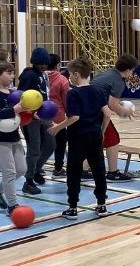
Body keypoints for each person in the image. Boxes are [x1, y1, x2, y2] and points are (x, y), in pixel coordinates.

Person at [48, 58, 112, 220]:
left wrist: (57, 127)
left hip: (78, 138)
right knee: (98, 170)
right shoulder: (98, 91)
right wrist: (102, 132)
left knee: (74, 172)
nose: (69, 77)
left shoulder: (73, 93)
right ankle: (102, 205)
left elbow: (74, 117)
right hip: (95, 136)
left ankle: (73, 207)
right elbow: (107, 114)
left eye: (70, 74)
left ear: (76, 74)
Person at [0, 61, 30, 216]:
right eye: (9, 73)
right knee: (9, 172)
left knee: (22, 169)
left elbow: (20, 113)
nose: (12, 76)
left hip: (14, 137)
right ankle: (13, 205)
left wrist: (30, 111)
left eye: (13, 72)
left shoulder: (13, 93)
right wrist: (13, 110)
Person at [90, 54, 140, 182]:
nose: (132, 72)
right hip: (96, 110)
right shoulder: (118, 81)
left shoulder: (107, 73)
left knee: (94, 141)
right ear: (128, 69)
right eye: (133, 70)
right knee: (112, 139)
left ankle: (83, 170)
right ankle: (113, 172)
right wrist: (126, 111)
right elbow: (112, 105)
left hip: (87, 108)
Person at [18, 47, 55, 195]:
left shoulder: (43, 75)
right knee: (34, 148)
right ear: (34, 62)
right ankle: (28, 181)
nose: (44, 66)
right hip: (31, 118)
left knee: (51, 144)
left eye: (45, 63)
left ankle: (35, 169)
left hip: (43, 114)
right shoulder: (29, 76)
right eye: (40, 63)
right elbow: (21, 97)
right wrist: (31, 113)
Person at [47, 53, 71, 177]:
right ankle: (58, 168)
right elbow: (66, 99)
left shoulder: (41, 77)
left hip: (42, 116)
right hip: (58, 117)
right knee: (60, 144)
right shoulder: (62, 80)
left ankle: (37, 167)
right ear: (58, 65)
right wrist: (70, 114)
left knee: (41, 143)